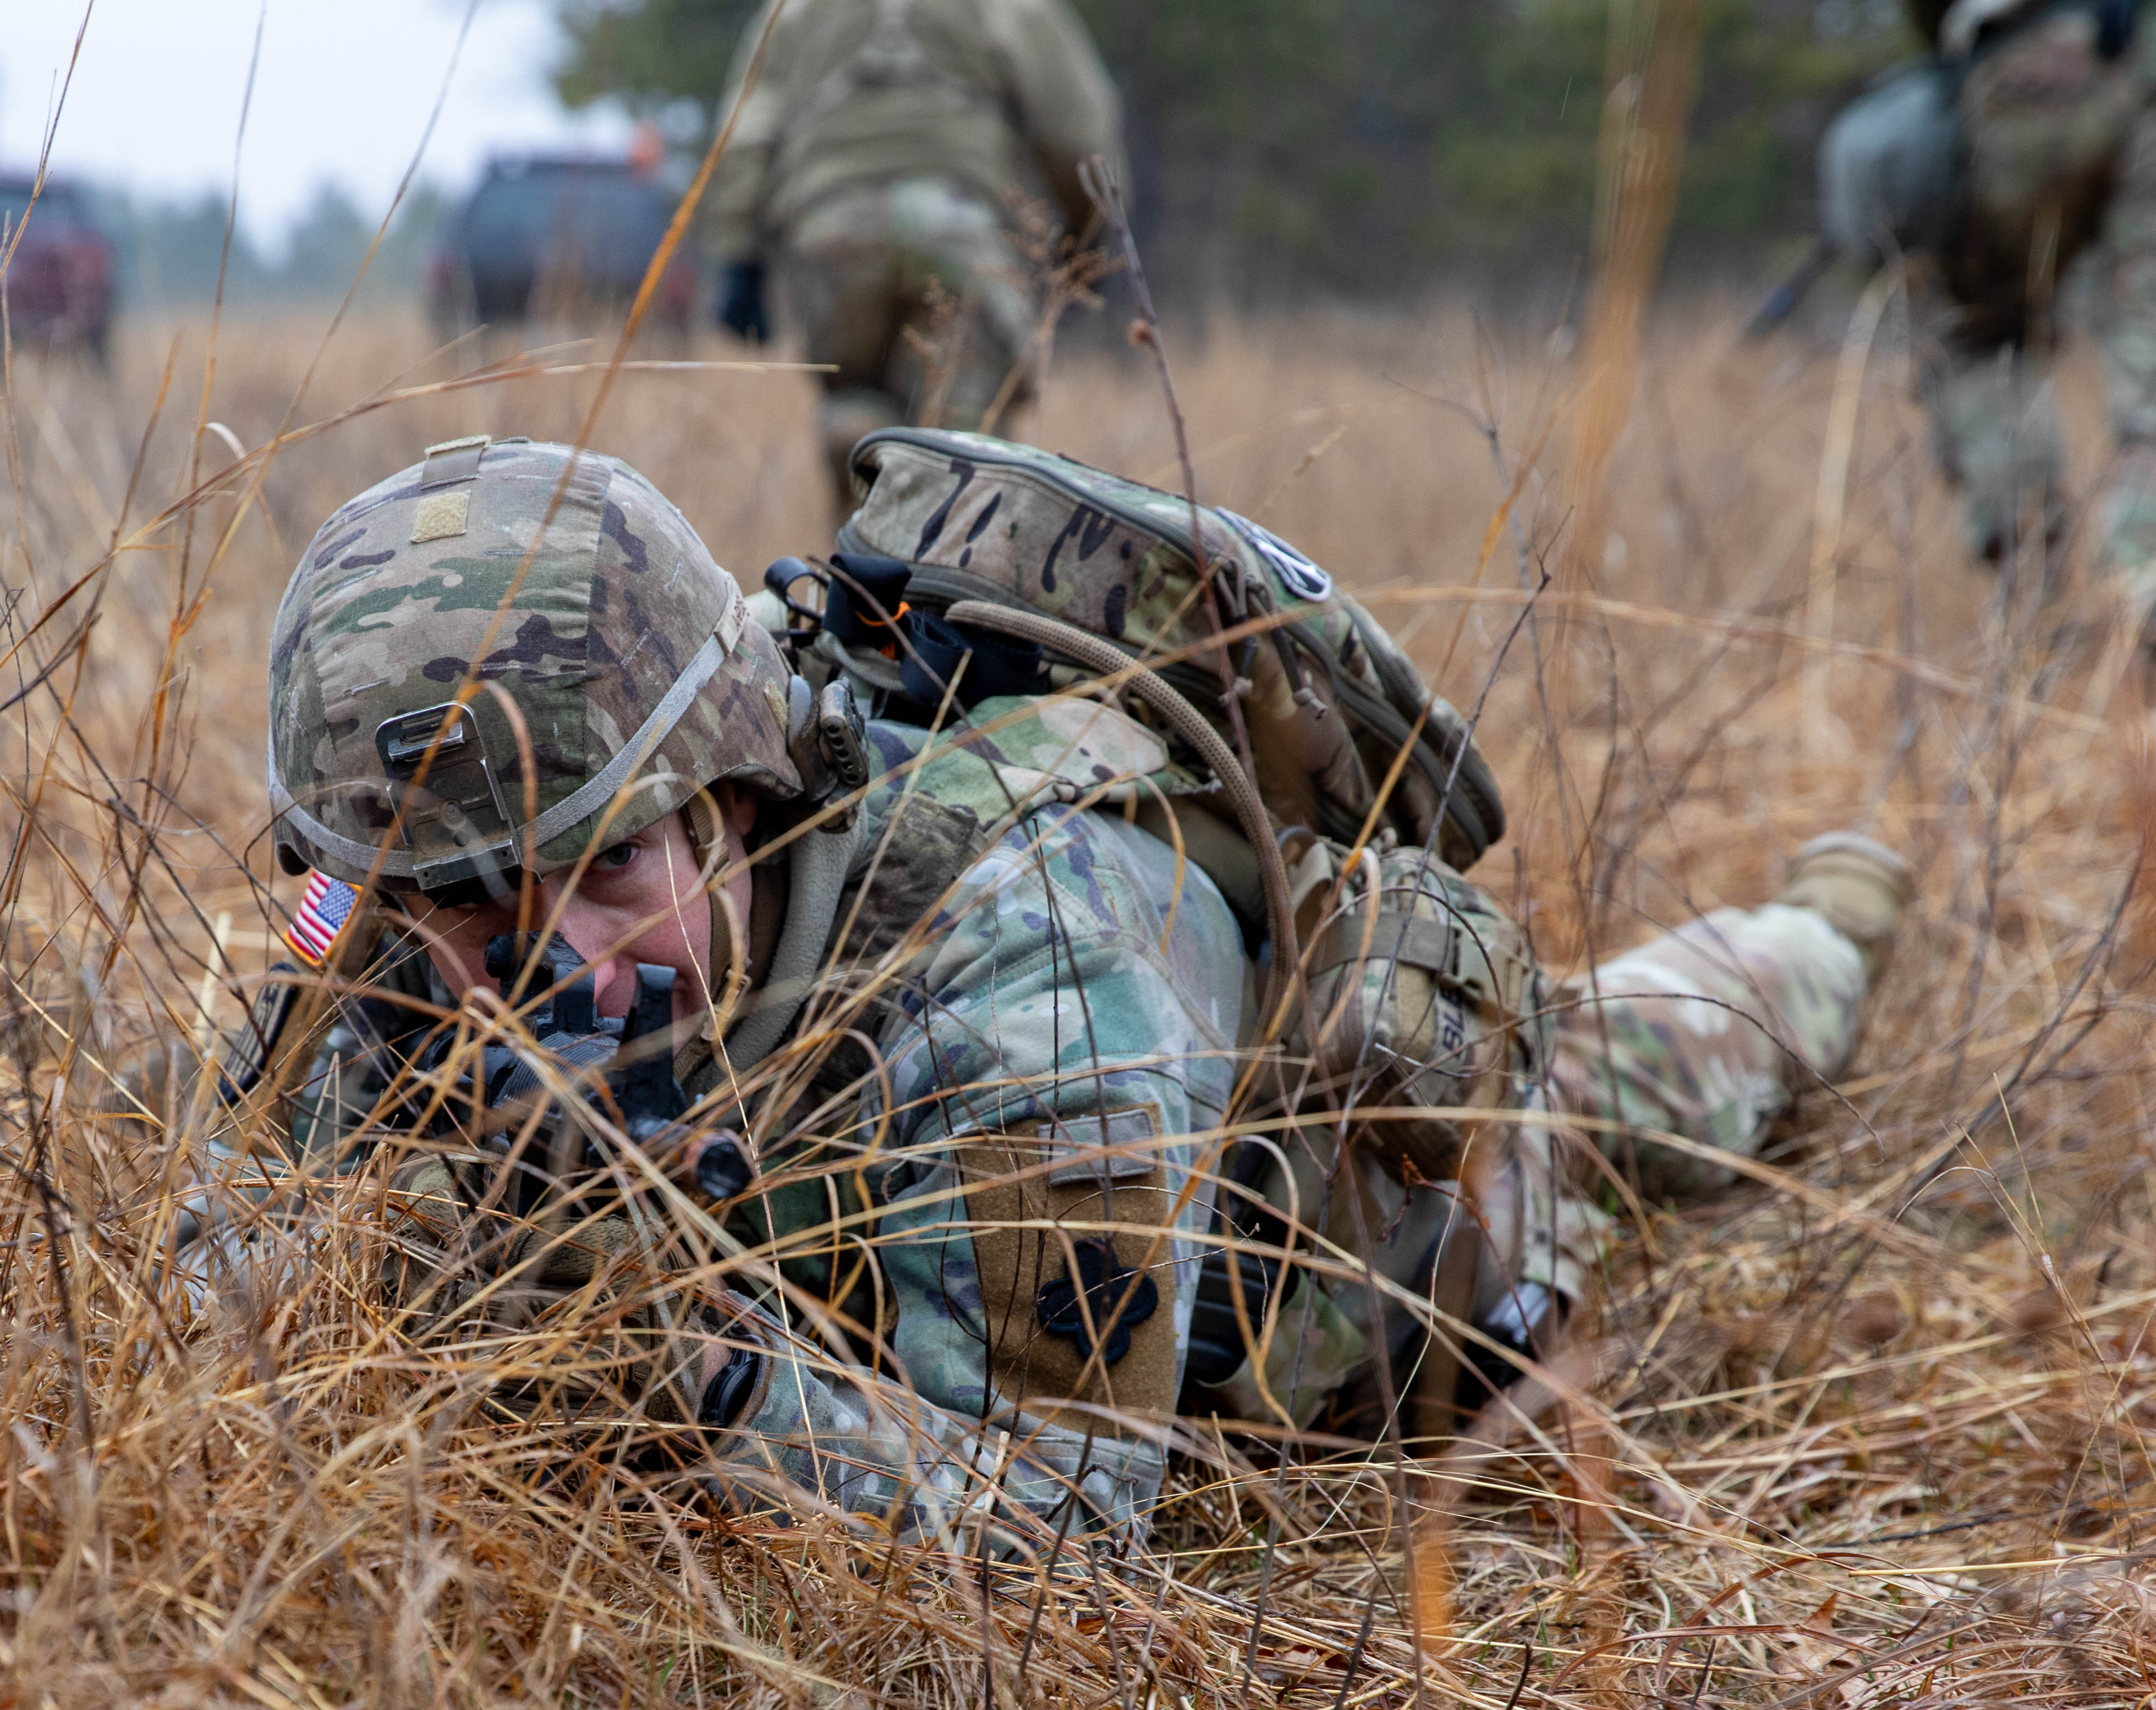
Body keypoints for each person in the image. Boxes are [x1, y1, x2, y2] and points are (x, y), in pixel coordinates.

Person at [220, 433, 1916, 1559]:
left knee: (1660, 1055)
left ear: (734, 787)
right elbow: (218, 1252)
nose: (562, 969)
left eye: (612, 873)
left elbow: (1057, 1530)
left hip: (1354, 1221)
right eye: (468, 904)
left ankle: (1838, 908)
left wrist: (691, 1374)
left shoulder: (1022, 948)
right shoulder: (391, 922)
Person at [699, 0, 1124, 490]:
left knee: (856, 394)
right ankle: (947, 489)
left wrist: (740, 258)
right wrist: (1085, 244)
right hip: (959, 238)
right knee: (963, 437)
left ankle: (858, 445)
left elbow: (746, 133)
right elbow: (1079, 135)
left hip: (833, 237)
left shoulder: (795, 9)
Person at [1889, 0, 2156, 577]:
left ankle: (2026, 564)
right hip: (2140, 63)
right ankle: (2141, 588)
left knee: (1970, 329)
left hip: (2023, 76)